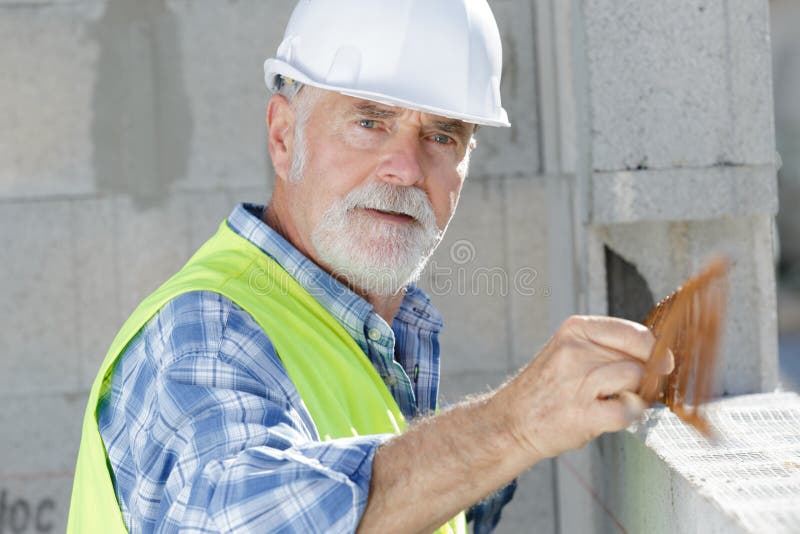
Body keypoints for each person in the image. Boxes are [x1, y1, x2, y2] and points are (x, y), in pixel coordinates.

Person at [68, 1, 669, 532]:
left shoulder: (370, 334)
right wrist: (513, 425)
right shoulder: (208, 332)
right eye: (370, 121)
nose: (405, 168)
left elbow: (399, 501)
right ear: (283, 137)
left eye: (442, 136)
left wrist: (563, 406)